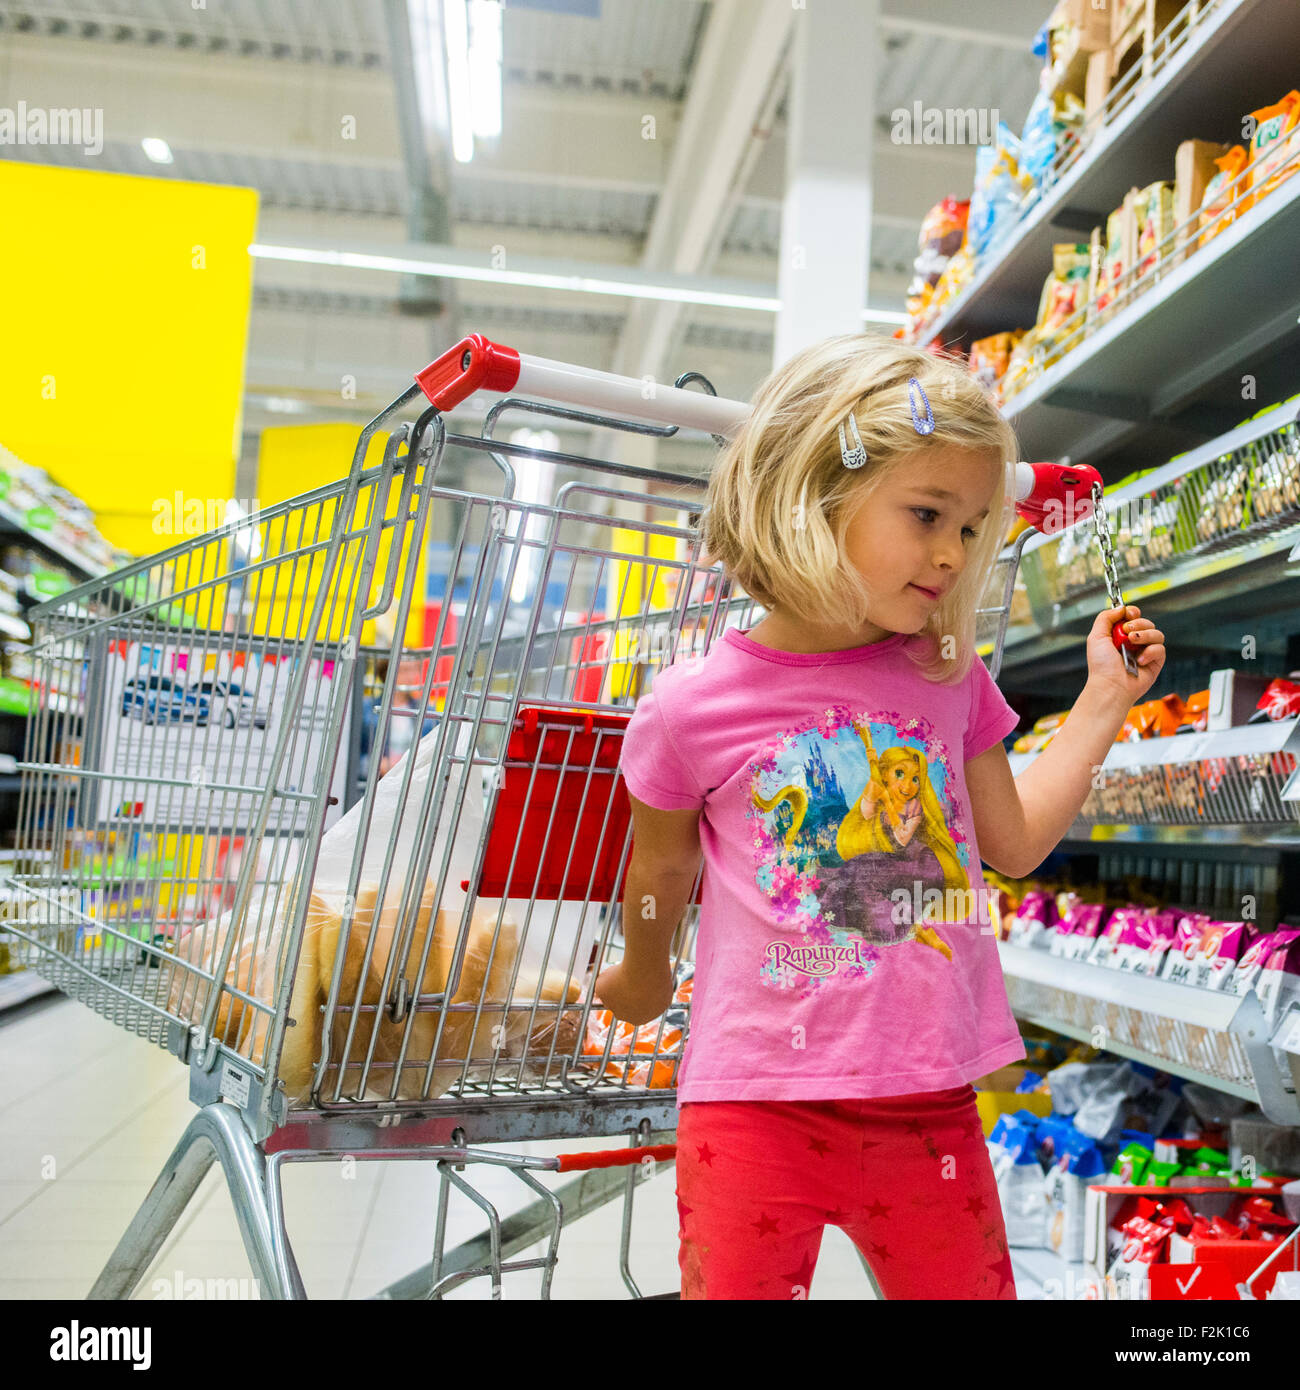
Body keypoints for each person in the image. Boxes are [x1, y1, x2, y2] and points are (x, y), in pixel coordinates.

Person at [594, 332, 1166, 1300]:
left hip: (930, 1103)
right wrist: (641, 975)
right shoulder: (690, 707)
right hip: (753, 1103)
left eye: (973, 526)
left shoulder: (945, 675)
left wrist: (1105, 700)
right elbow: (660, 872)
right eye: (926, 513)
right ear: (811, 497)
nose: (951, 552)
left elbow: (1015, 844)